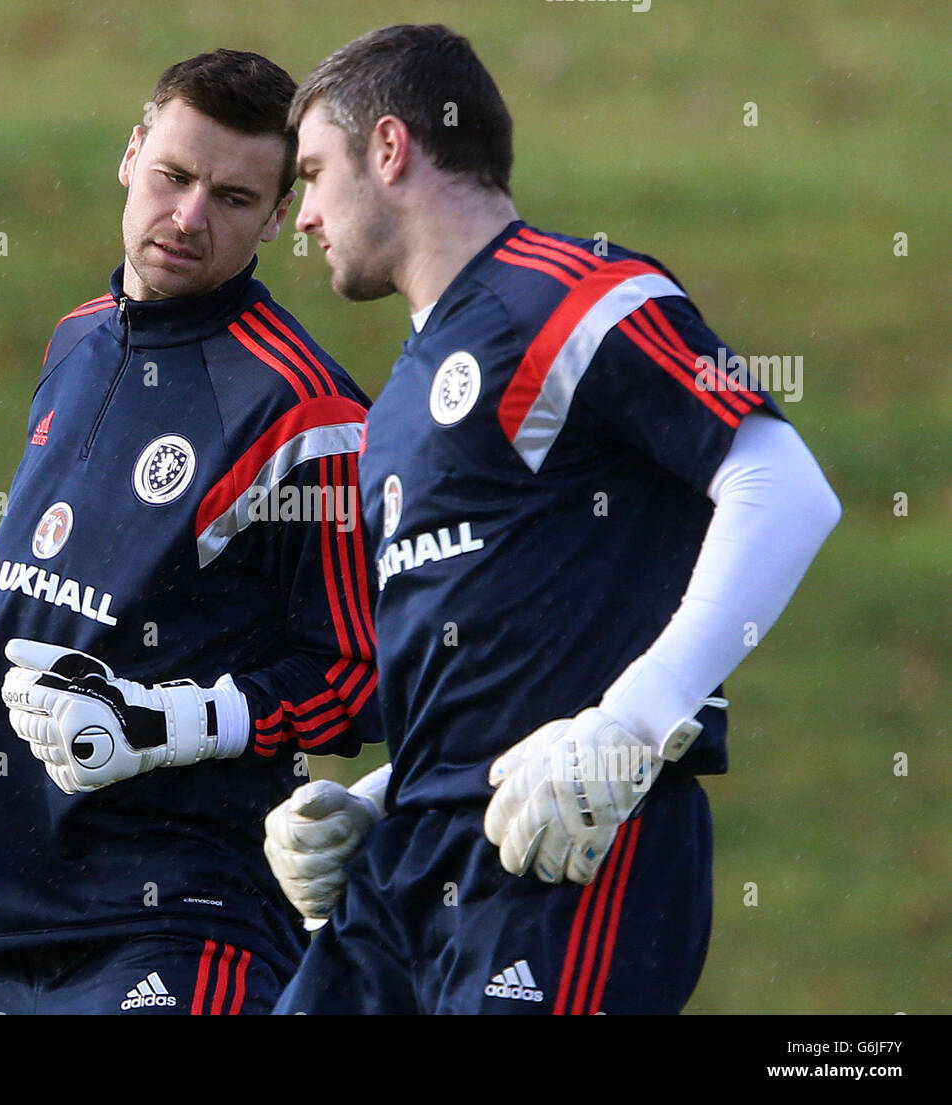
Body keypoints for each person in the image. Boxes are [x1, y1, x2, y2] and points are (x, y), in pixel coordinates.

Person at [263, 23, 841, 1014]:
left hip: (567, 851)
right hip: (414, 860)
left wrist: (631, 721)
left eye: (312, 173)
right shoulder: (399, 392)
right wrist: (382, 796)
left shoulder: (577, 299)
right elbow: (503, 637)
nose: (302, 216)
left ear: (391, 148)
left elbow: (785, 488)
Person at [0, 49, 379, 1015]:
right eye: (175, 176)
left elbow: (357, 681)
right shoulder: (78, 341)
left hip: (185, 925)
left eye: (236, 198)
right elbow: (96, 611)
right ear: (130, 155)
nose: (192, 217)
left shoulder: (305, 413)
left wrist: (167, 726)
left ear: (281, 217)